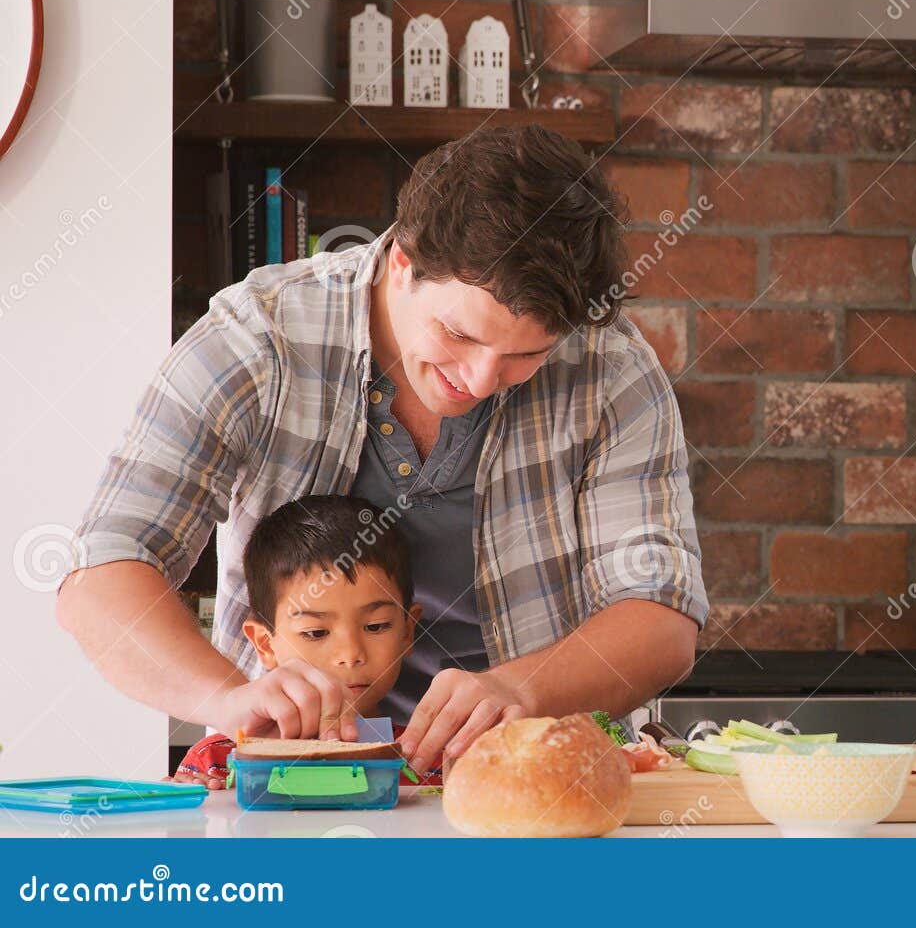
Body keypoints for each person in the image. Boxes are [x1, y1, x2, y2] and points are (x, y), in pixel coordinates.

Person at [58, 125, 707, 775]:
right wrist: (224, 696)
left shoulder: (611, 368)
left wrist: (521, 690)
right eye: (457, 333)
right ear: (402, 263)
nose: (479, 381)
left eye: (525, 356)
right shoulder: (259, 338)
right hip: (292, 776)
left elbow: (660, 615)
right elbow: (101, 571)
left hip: (537, 780)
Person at [174, 495, 443, 789]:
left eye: (376, 626)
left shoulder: (434, 758)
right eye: (316, 632)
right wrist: (187, 808)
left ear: (407, 631)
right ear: (265, 645)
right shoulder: (218, 762)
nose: (350, 654)